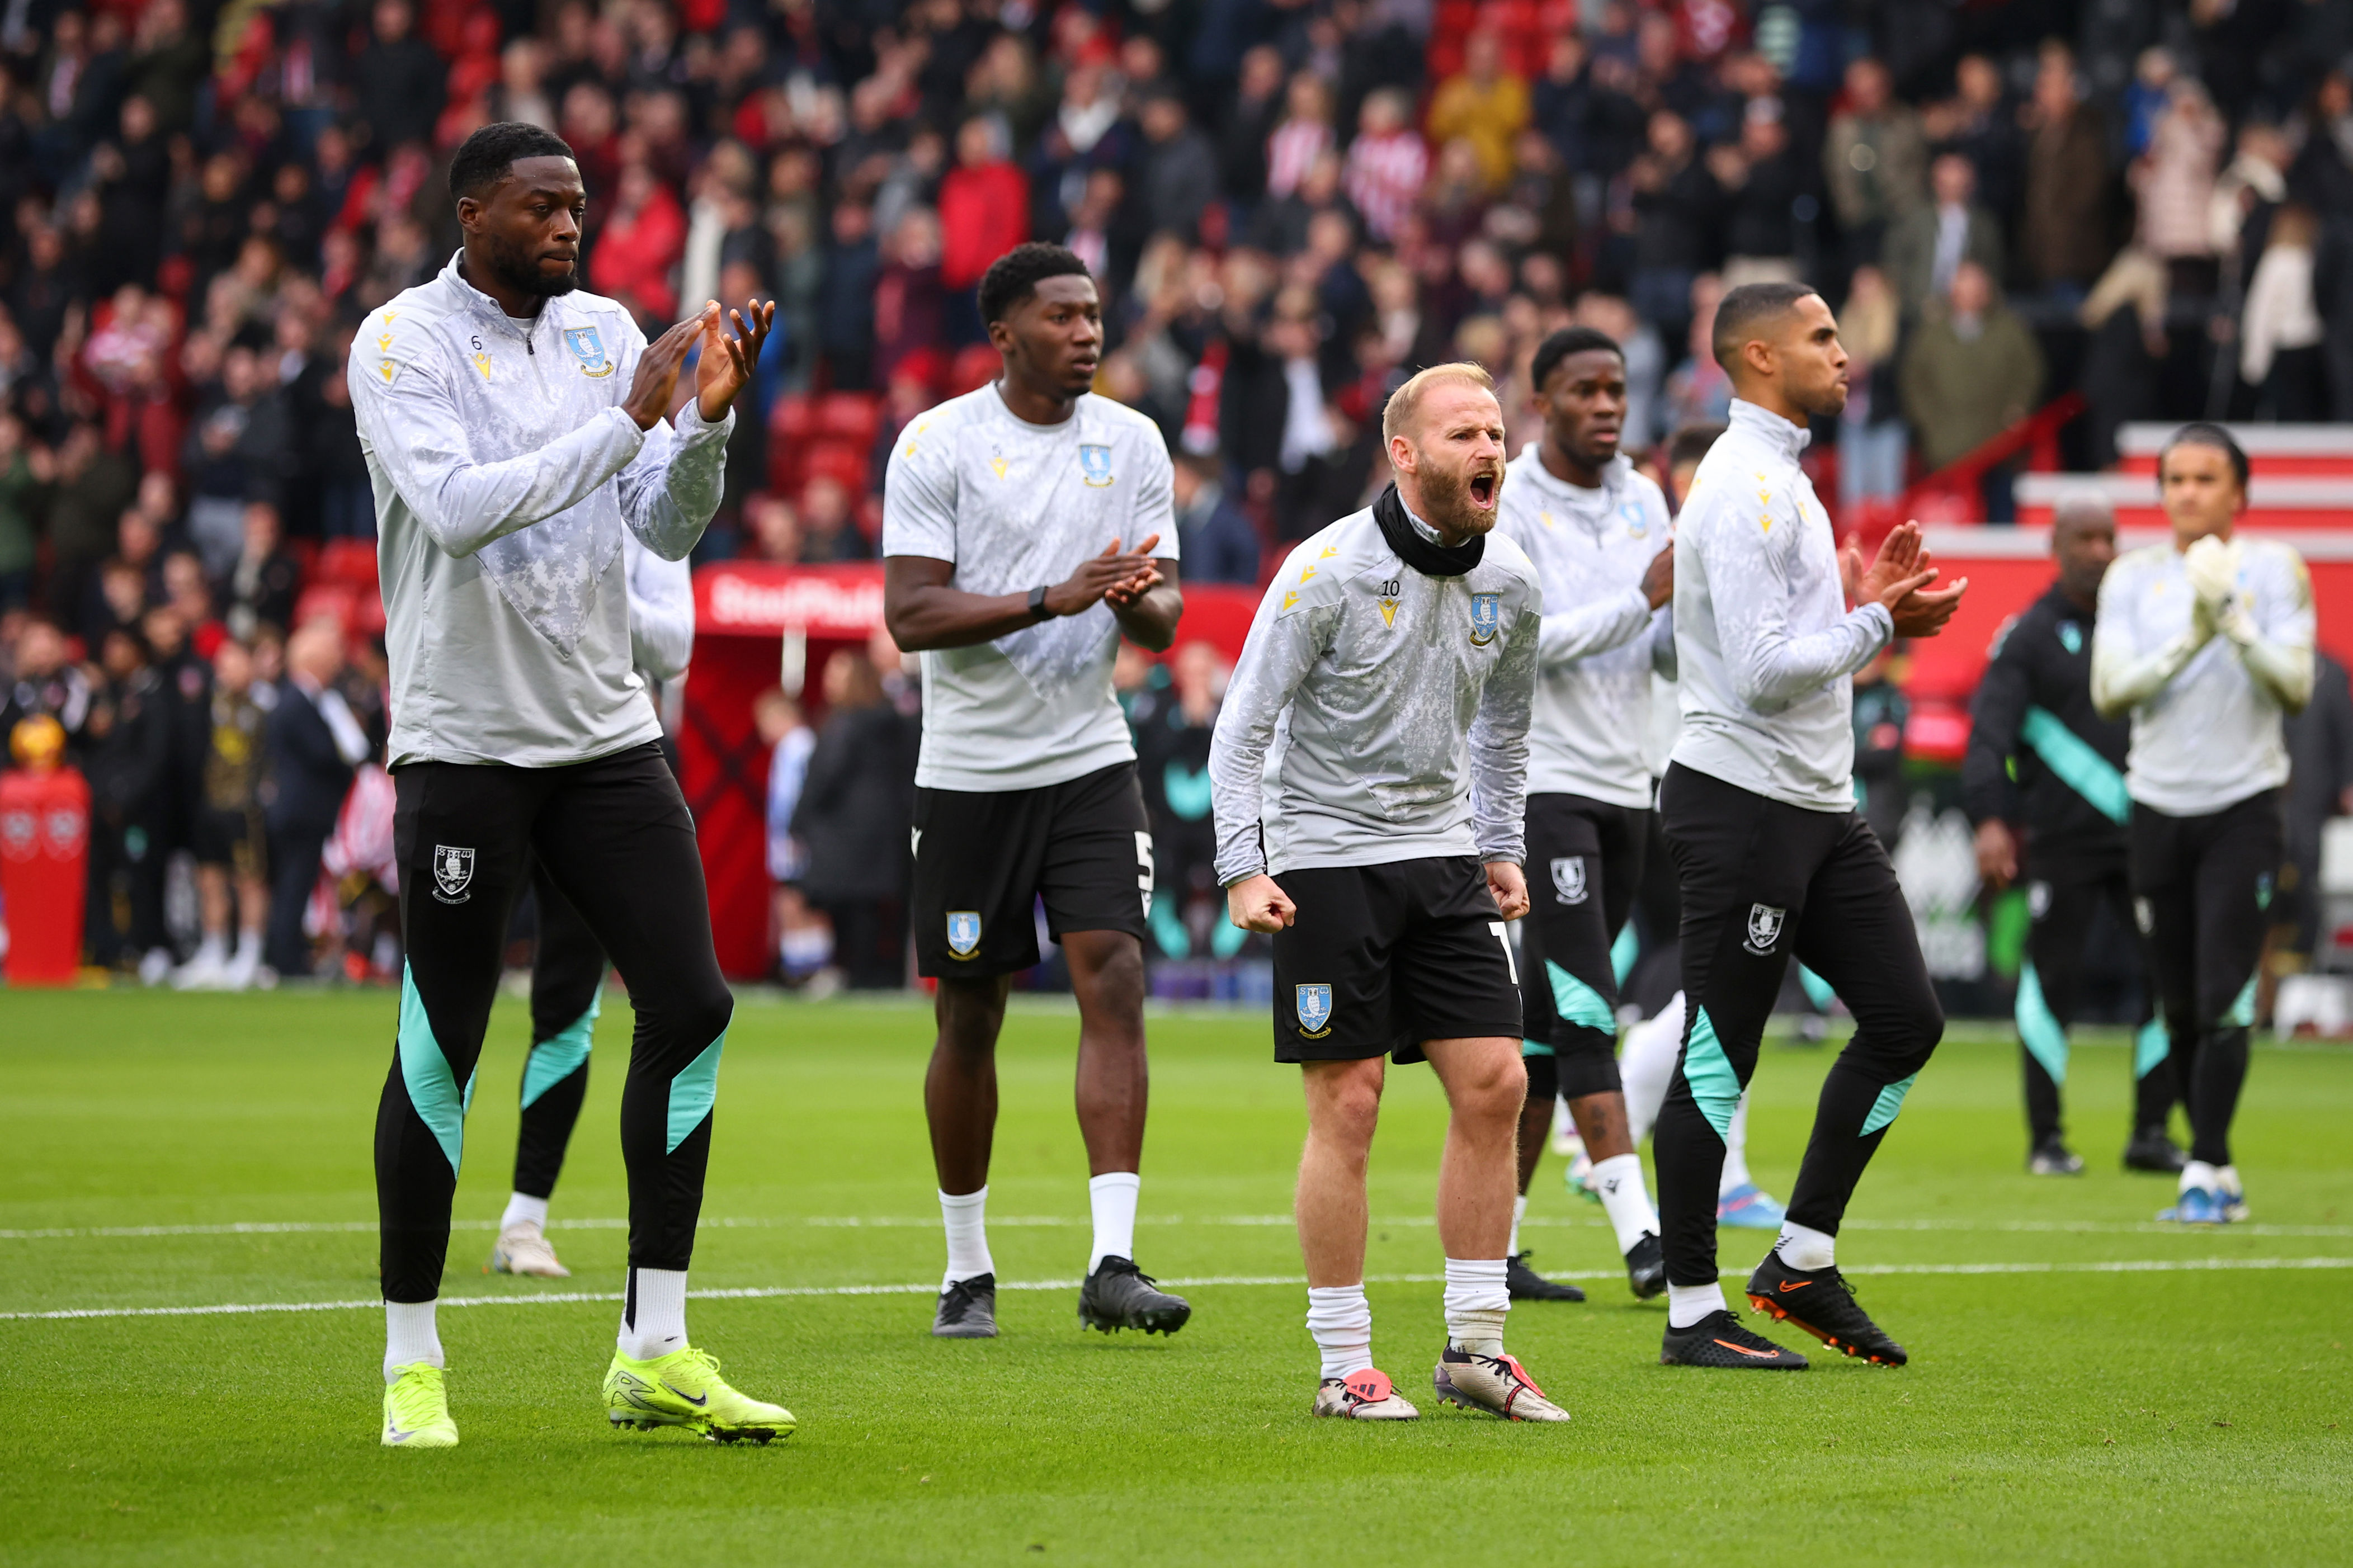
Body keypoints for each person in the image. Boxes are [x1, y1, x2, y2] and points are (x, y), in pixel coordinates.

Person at [351, 121, 786, 1449]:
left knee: (696, 1005)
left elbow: (658, 521)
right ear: (471, 210)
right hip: (465, 739)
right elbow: (460, 504)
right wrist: (629, 419)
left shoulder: (606, 329)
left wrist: (705, 422)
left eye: (579, 206)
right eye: (541, 206)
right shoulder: (399, 344)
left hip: (602, 731)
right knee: (445, 1042)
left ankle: (653, 1343)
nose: (568, 227)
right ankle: (411, 1358)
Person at [1212, 361, 1567, 1424]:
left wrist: (1500, 845)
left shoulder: (1513, 579)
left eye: (1497, 432)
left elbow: (1505, 729)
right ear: (1403, 453)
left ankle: (1474, 1348)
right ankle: (1344, 1361)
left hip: (1445, 851)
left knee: (1498, 1083)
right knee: (1351, 1102)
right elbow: (1242, 728)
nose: (1490, 451)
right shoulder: (1322, 569)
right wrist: (1244, 864)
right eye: (1463, 434)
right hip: (1323, 853)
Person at [1653, 281, 1965, 1371]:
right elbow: (1760, 671)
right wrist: (1882, 620)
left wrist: (1861, 607)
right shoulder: (1742, 485)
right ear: (1757, 355)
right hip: (1743, 803)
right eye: (1821, 337)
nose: (1843, 353)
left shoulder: (1783, 476)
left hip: (1814, 806)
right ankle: (1693, 1311)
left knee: (1906, 1019)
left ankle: (1799, 1259)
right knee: (1715, 1059)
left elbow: (1791, 645)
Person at [880, 242, 1190, 1342]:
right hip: (969, 776)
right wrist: (1052, 599)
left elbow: (1161, 621)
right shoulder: (940, 443)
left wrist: (1135, 600)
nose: (1088, 333)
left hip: (1088, 761)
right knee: (971, 1013)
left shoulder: (1133, 442)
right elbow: (910, 614)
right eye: (1062, 317)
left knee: (1115, 977)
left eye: (1096, 314)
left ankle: (1112, 1258)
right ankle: (968, 1267)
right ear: (1004, 336)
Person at [1488, 326, 1672, 1306]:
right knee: (1591, 1001)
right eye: (1585, 390)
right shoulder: (1510, 500)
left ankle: (1499, 1245)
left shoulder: (1645, 495)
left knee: (1547, 1029)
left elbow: (1667, 642)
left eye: (1617, 388)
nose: (1607, 405)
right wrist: (1640, 605)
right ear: (1542, 400)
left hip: (1627, 784)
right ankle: (1643, 1236)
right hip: (1543, 785)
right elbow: (1515, 645)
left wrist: (1692, 618)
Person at [2091, 424, 2313, 1226]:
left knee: (2223, 992)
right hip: (2155, 805)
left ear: (2237, 494)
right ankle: (2210, 1165)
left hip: (2242, 808)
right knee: (2177, 1001)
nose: (2186, 493)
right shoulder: (2130, 577)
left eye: (2204, 479)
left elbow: (2293, 687)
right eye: (2174, 479)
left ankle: (2206, 1162)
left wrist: (2234, 621)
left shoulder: (2275, 569)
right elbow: (2109, 692)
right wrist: (2191, 637)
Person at [485, 534, 697, 1281]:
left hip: (601, 762)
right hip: (488, 748)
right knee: (446, 1000)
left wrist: (590, 586)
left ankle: (524, 1220)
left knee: (569, 1003)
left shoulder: (652, 474)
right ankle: (414, 1219)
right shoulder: (504, 440)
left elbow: (674, 644)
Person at [1963, 495, 2185, 1176]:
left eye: (2107, 537)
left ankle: (2150, 1130)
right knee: (2050, 981)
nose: (2098, 550)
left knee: (2167, 976)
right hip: (2061, 842)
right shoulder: (2027, 635)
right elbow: (1988, 734)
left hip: (2143, 833)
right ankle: (2046, 1139)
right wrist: (1989, 818)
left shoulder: (2136, 629)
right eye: (2083, 538)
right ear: (2054, 546)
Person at [260, 622, 371, 979]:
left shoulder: (299, 699)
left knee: (295, 886)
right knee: (294, 887)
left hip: (297, 811)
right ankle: (286, 961)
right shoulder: (298, 702)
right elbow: (324, 755)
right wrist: (348, 768)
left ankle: (285, 957)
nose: (340, 662)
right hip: (301, 812)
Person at [174, 636, 271, 990]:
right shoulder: (208, 705)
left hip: (245, 807)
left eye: (235, 663)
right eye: (223, 664)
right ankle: (213, 951)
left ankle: (250, 953)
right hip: (210, 804)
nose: (227, 671)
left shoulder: (264, 706)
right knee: (209, 879)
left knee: (249, 880)